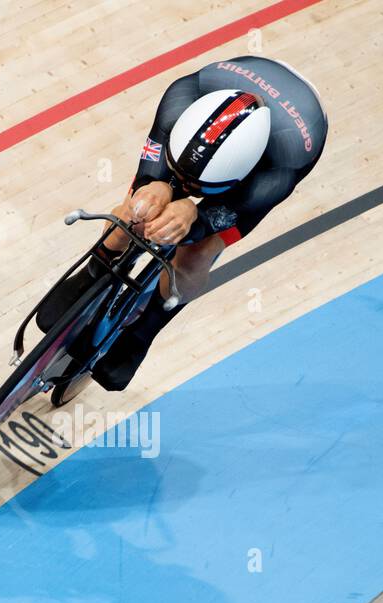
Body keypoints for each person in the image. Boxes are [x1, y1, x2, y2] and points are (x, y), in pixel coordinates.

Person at [37, 55, 327, 391]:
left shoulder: (280, 168)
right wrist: (153, 189)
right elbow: (150, 174)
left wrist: (195, 216)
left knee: (196, 254)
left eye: (196, 188)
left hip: (282, 146)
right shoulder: (181, 99)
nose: (186, 189)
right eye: (181, 178)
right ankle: (95, 269)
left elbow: (219, 218)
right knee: (137, 210)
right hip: (220, 91)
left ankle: (143, 333)